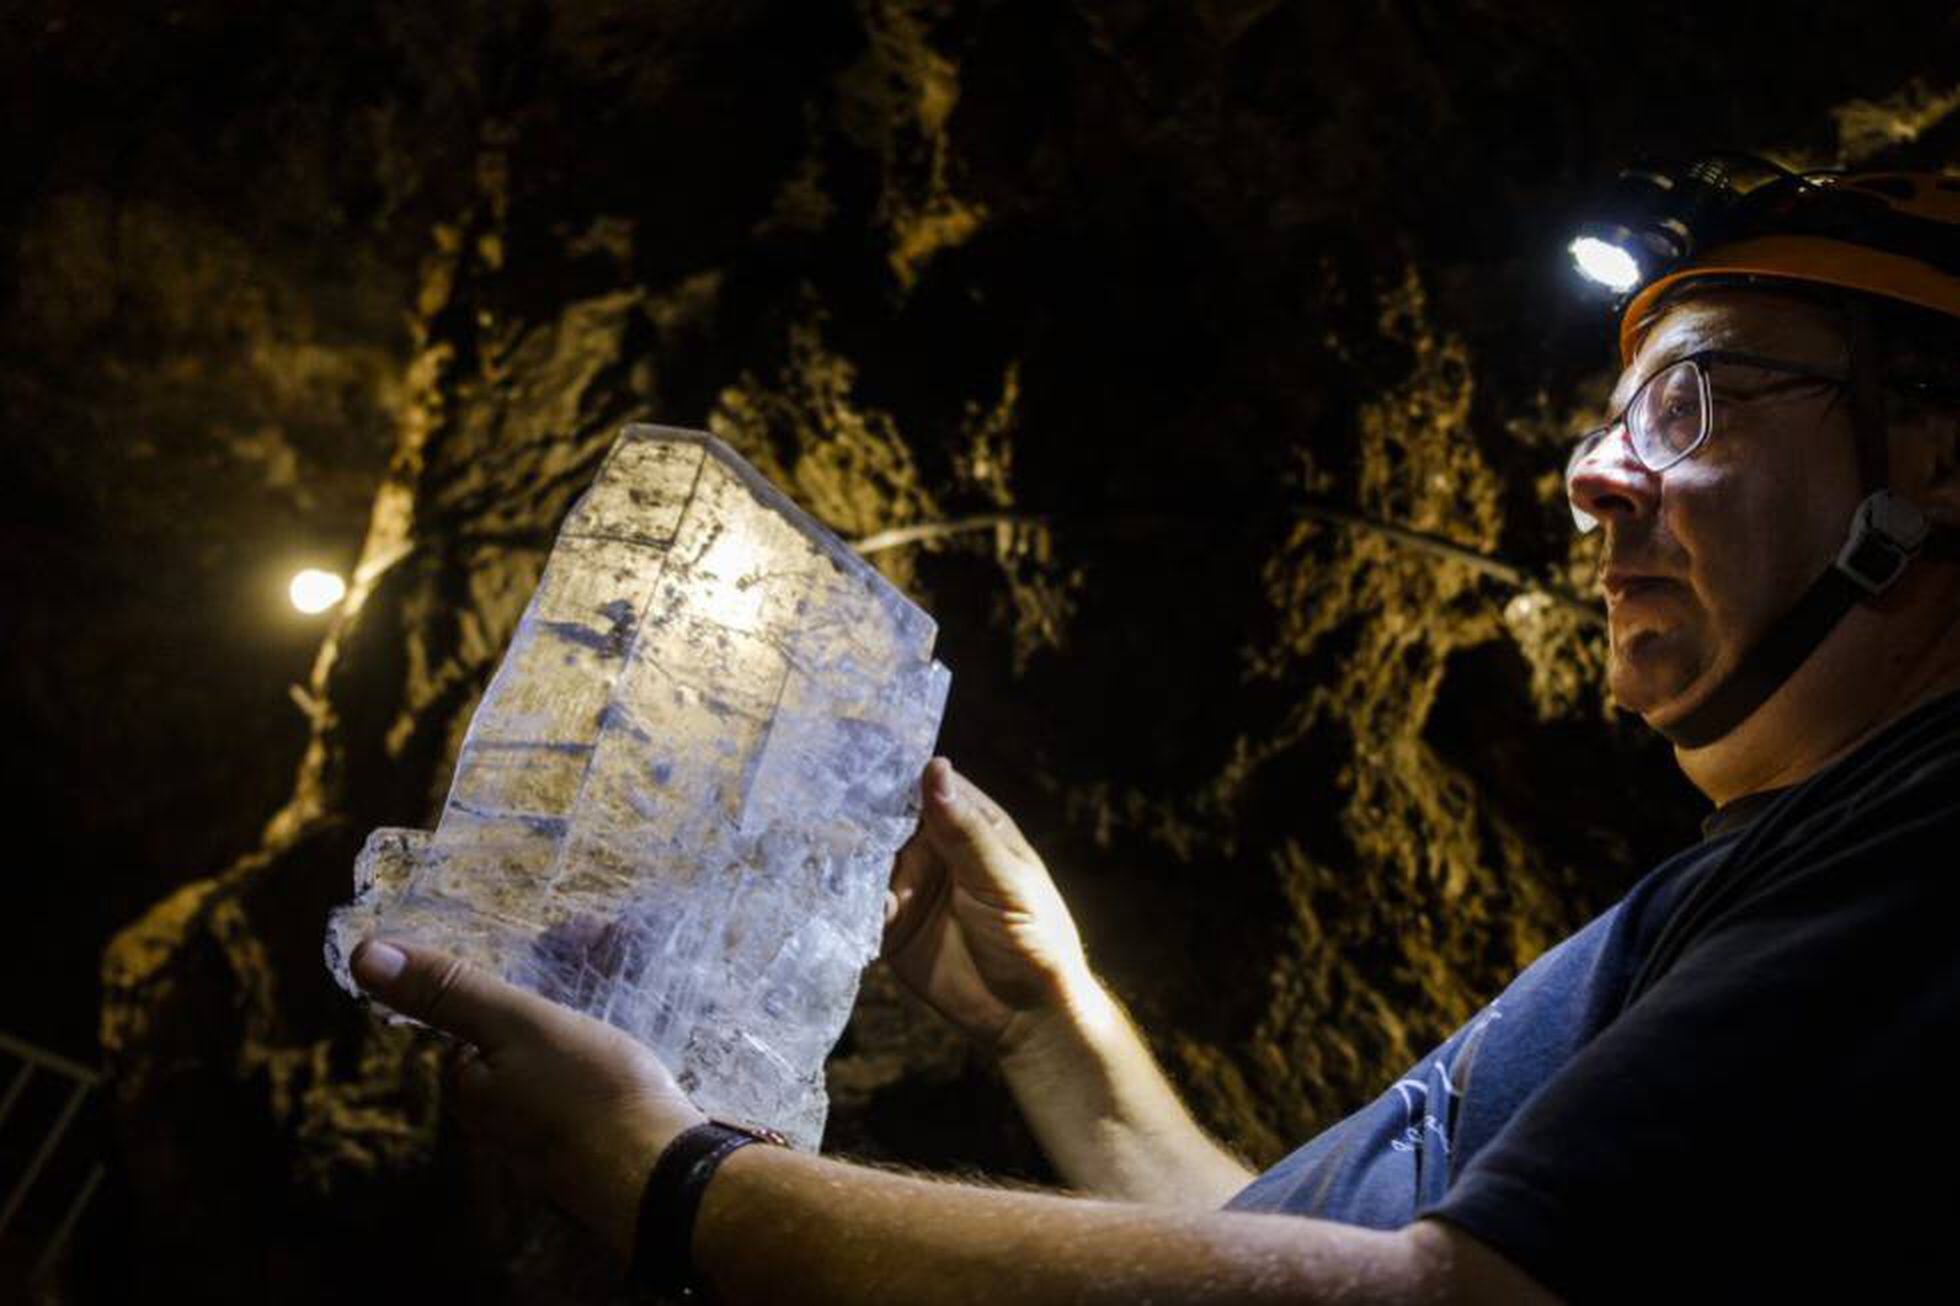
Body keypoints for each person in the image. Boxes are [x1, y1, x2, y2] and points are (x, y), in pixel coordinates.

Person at [347, 167, 1960, 1302]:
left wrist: (679, 1181)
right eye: (1607, 423)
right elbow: (1312, 1246)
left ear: (1937, 456)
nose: (1592, 477)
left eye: (1696, 401)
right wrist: (1052, 1023)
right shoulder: (1747, 894)